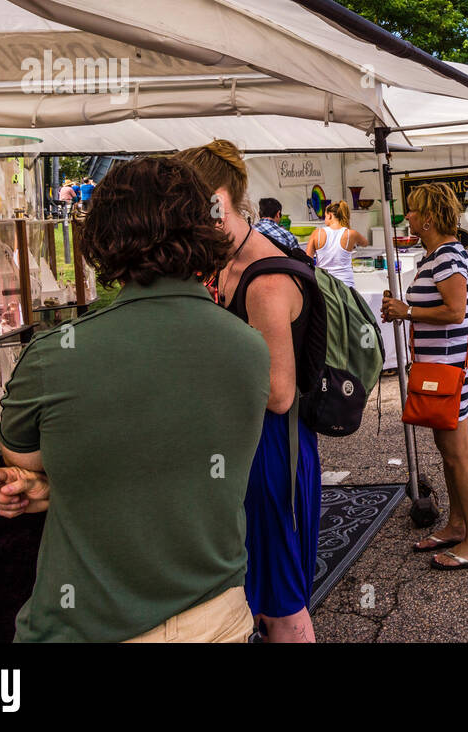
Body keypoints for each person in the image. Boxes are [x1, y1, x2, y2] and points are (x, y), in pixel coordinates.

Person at [0, 156, 269, 642]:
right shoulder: (249, 347)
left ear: (104, 238)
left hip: (89, 624)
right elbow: (188, 461)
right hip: (217, 617)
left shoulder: (54, 356)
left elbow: (26, 461)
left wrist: (57, 484)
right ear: (205, 229)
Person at [176, 140, 319, 643]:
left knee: (281, 600)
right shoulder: (221, 262)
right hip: (239, 446)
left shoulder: (266, 279)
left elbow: (278, 393)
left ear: (225, 199)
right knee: (249, 588)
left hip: (270, 449)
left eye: (199, 205)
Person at [381, 184, 468, 569]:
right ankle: (458, 526)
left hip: (449, 369)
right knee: (449, 454)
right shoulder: (440, 254)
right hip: (440, 367)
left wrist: (406, 311)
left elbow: (456, 311)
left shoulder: (445, 255)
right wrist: (403, 309)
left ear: (428, 217)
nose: (406, 216)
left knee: (459, 456)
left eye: (411, 211)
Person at [305, 200, 368, 288]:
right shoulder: (351, 234)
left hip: (324, 285)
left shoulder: (317, 233)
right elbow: (365, 243)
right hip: (346, 284)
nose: (325, 219)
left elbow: (307, 260)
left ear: (330, 215)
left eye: (325, 216)